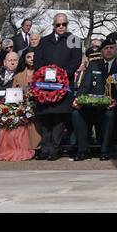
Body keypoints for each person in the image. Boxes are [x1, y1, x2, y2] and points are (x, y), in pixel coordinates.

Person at [32, 13, 81, 160]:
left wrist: (62, 75)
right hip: (45, 85)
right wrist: (43, 74)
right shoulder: (44, 40)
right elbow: (37, 60)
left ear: (67, 24)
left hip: (63, 84)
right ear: (53, 25)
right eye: (58, 24)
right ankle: (45, 148)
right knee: (46, 116)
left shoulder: (74, 40)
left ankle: (55, 148)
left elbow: (76, 61)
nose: (61, 27)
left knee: (59, 118)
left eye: (64, 24)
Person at [0, 51, 35, 161]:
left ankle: (12, 148)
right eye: (10, 60)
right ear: (4, 62)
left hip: (14, 106)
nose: (12, 62)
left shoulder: (21, 75)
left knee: (15, 115)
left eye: (15, 60)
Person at [13, 49, 43, 153]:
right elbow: (13, 92)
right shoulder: (18, 75)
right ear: (24, 60)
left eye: (33, 56)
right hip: (21, 105)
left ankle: (36, 145)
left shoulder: (42, 73)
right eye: (28, 57)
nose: (32, 59)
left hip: (38, 104)